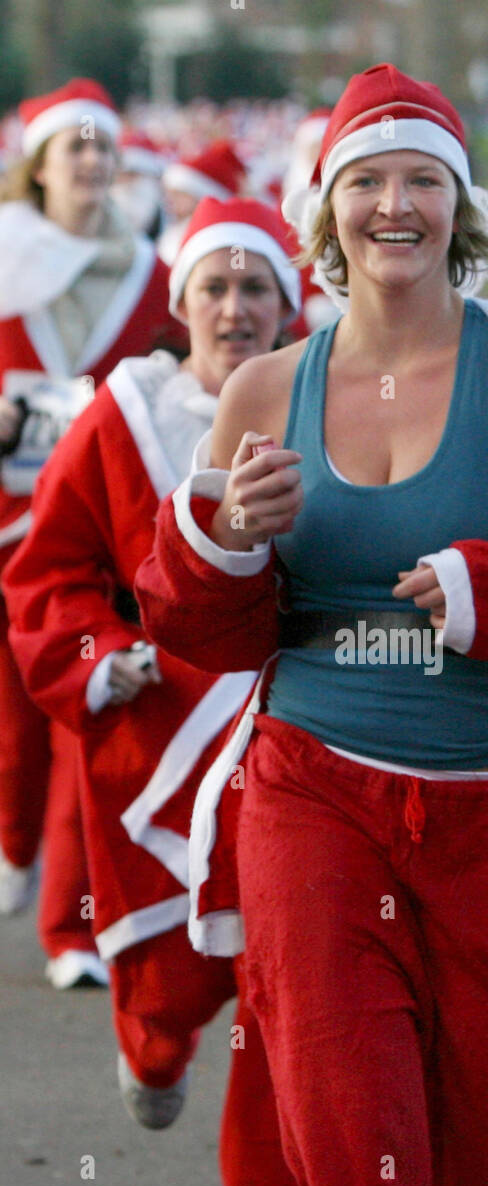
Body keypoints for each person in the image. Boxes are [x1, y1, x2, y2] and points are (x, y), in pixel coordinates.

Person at [134, 63, 488, 1186]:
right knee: (357, 1157)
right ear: (328, 210)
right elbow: (202, 631)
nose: (393, 205)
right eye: (365, 180)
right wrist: (225, 539)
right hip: (313, 797)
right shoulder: (265, 391)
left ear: (460, 207)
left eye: (421, 178)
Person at [4, 198, 315, 1186]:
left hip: (286, 732)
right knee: (173, 987)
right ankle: (148, 1036)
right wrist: (96, 659)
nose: (234, 310)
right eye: (214, 289)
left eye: (255, 290)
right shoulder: (115, 418)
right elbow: (45, 574)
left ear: (287, 305)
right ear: (179, 305)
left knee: (283, 981)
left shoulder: (322, 403)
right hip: (149, 740)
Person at [0, 78, 182, 988]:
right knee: (8, 718)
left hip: (95, 524)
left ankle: (74, 923)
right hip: (2, 512)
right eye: (72, 147)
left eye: (102, 147)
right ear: (37, 166)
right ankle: (11, 845)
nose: (90, 162)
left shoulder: (151, 274)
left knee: (83, 702)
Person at [158, 141, 246, 266]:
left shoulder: (222, 237)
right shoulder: (173, 232)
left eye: (179, 194)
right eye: (170, 193)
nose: (170, 200)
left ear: (201, 195)